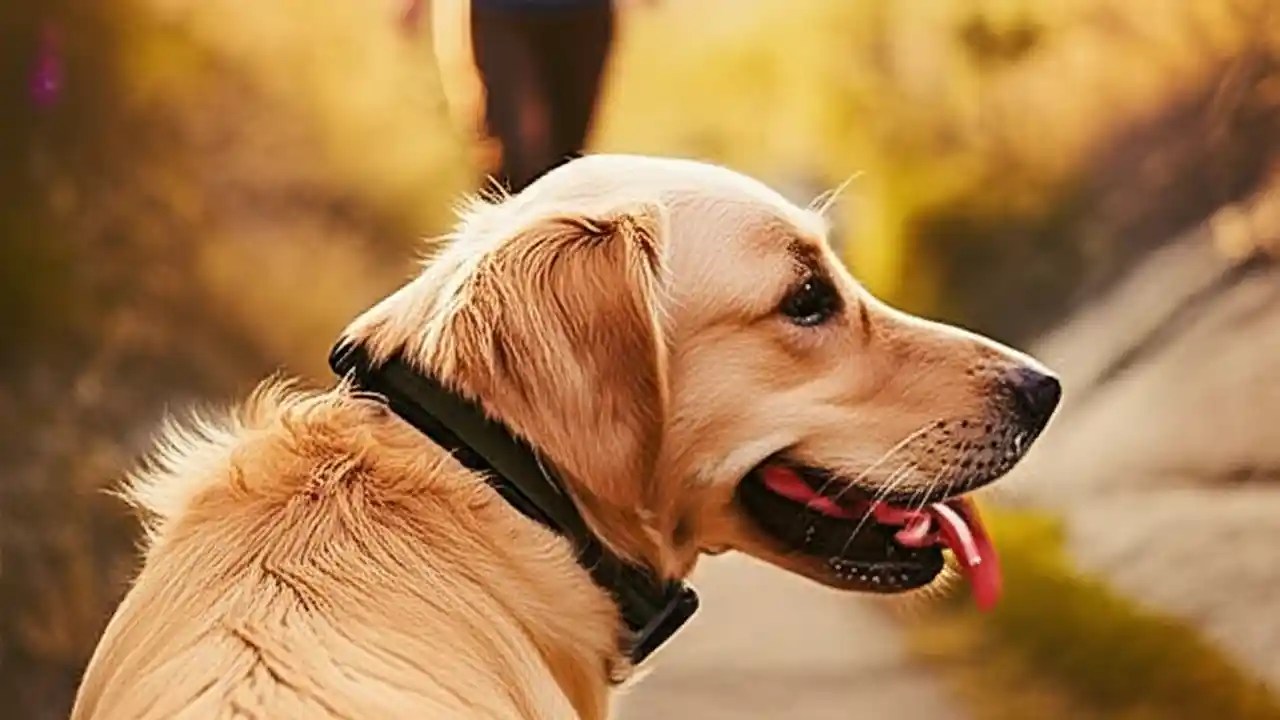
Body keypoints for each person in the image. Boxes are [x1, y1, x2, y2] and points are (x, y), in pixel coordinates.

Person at [403, 0, 618, 193]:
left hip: (584, 13)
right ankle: (504, 212)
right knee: (523, 149)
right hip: (502, 15)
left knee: (566, 159)